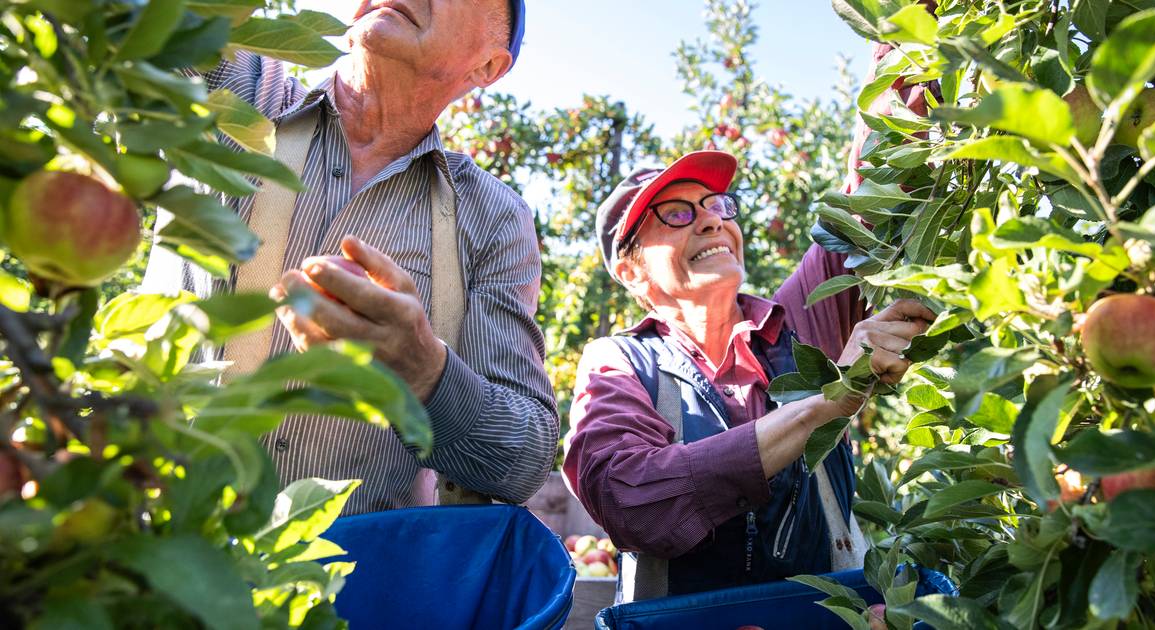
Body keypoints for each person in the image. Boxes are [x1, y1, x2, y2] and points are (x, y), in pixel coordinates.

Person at [142, 0, 558, 515]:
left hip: (349, 582)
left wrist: (424, 373)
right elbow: (139, 17)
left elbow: (523, 459)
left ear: (488, 66)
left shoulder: (490, 217)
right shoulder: (242, 88)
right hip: (150, 550)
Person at [562, 43, 936, 598]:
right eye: (678, 214)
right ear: (631, 270)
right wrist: (827, 401)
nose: (712, 222)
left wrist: (907, 47)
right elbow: (632, 499)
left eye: (716, 206)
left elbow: (874, 203)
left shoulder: (796, 325)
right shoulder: (620, 363)